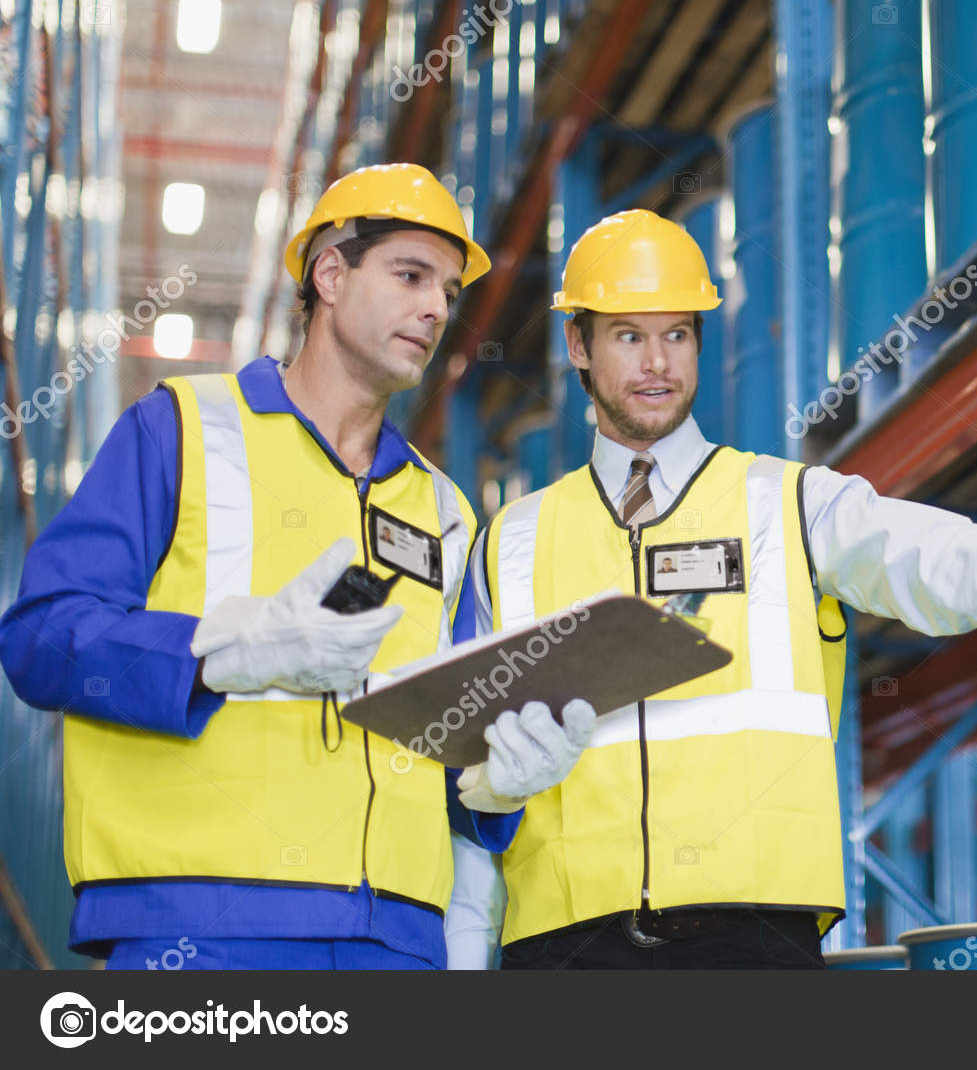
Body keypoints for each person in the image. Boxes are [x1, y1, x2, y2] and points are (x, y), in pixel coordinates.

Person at [446, 209, 977, 970]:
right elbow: (459, 774)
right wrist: (486, 815)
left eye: (678, 334)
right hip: (558, 948)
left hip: (751, 942)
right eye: (628, 335)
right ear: (579, 348)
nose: (658, 362)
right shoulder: (508, 542)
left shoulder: (787, 501)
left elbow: (936, 561)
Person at [0, 163, 594, 971]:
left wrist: (500, 785)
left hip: (395, 935)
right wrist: (220, 655)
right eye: (410, 275)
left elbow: (455, 732)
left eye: (449, 292)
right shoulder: (181, 430)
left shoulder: (445, 509)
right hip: (202, 920)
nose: (434, 308)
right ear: (331, 272)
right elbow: (44, 638)